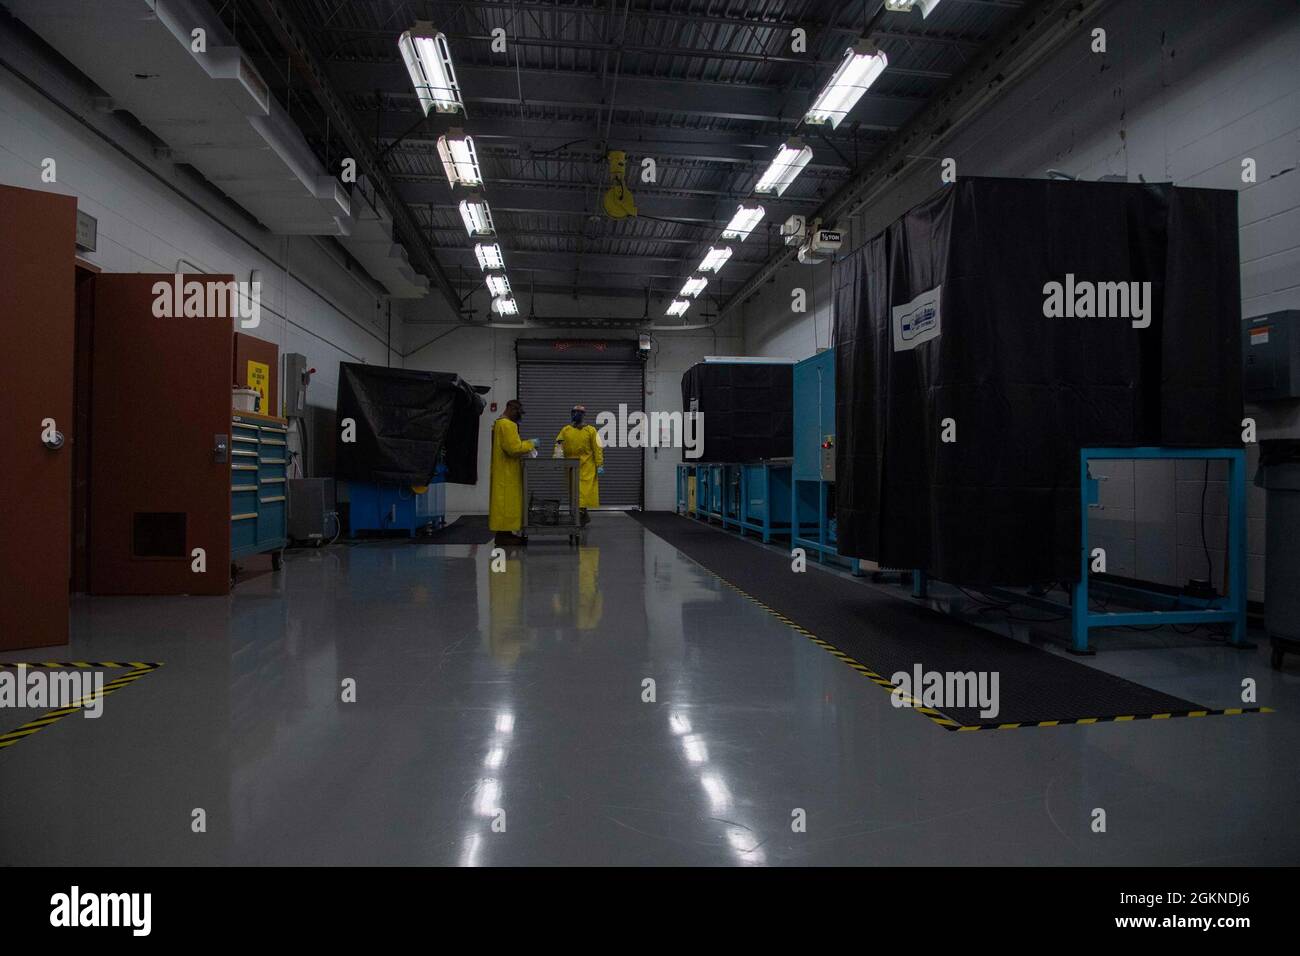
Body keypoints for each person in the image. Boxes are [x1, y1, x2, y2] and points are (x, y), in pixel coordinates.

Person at [489, 399, 539, 545]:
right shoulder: (508, 425)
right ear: (510, 409)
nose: (519, 416)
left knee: (502, 504)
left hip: (502, 470)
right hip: (507, 473)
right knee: (507, 504)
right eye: (518, 412)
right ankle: (504, 535)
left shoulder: (498, 423)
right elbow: (514, 448)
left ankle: (505, 533)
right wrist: (531, 443)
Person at [554, 404, 604, 524]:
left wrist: (599, 464)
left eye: (579, 413)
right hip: (570, 466)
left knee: (582, 492)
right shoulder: (566, 430)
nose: (576, 415)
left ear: (583, 415)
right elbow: (559, 444)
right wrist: (557, 457)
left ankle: (580, 515)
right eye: (574, 412)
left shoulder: (591, 430)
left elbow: (598, 448)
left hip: (586, 466)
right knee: (574, 492)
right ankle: (581, 515)